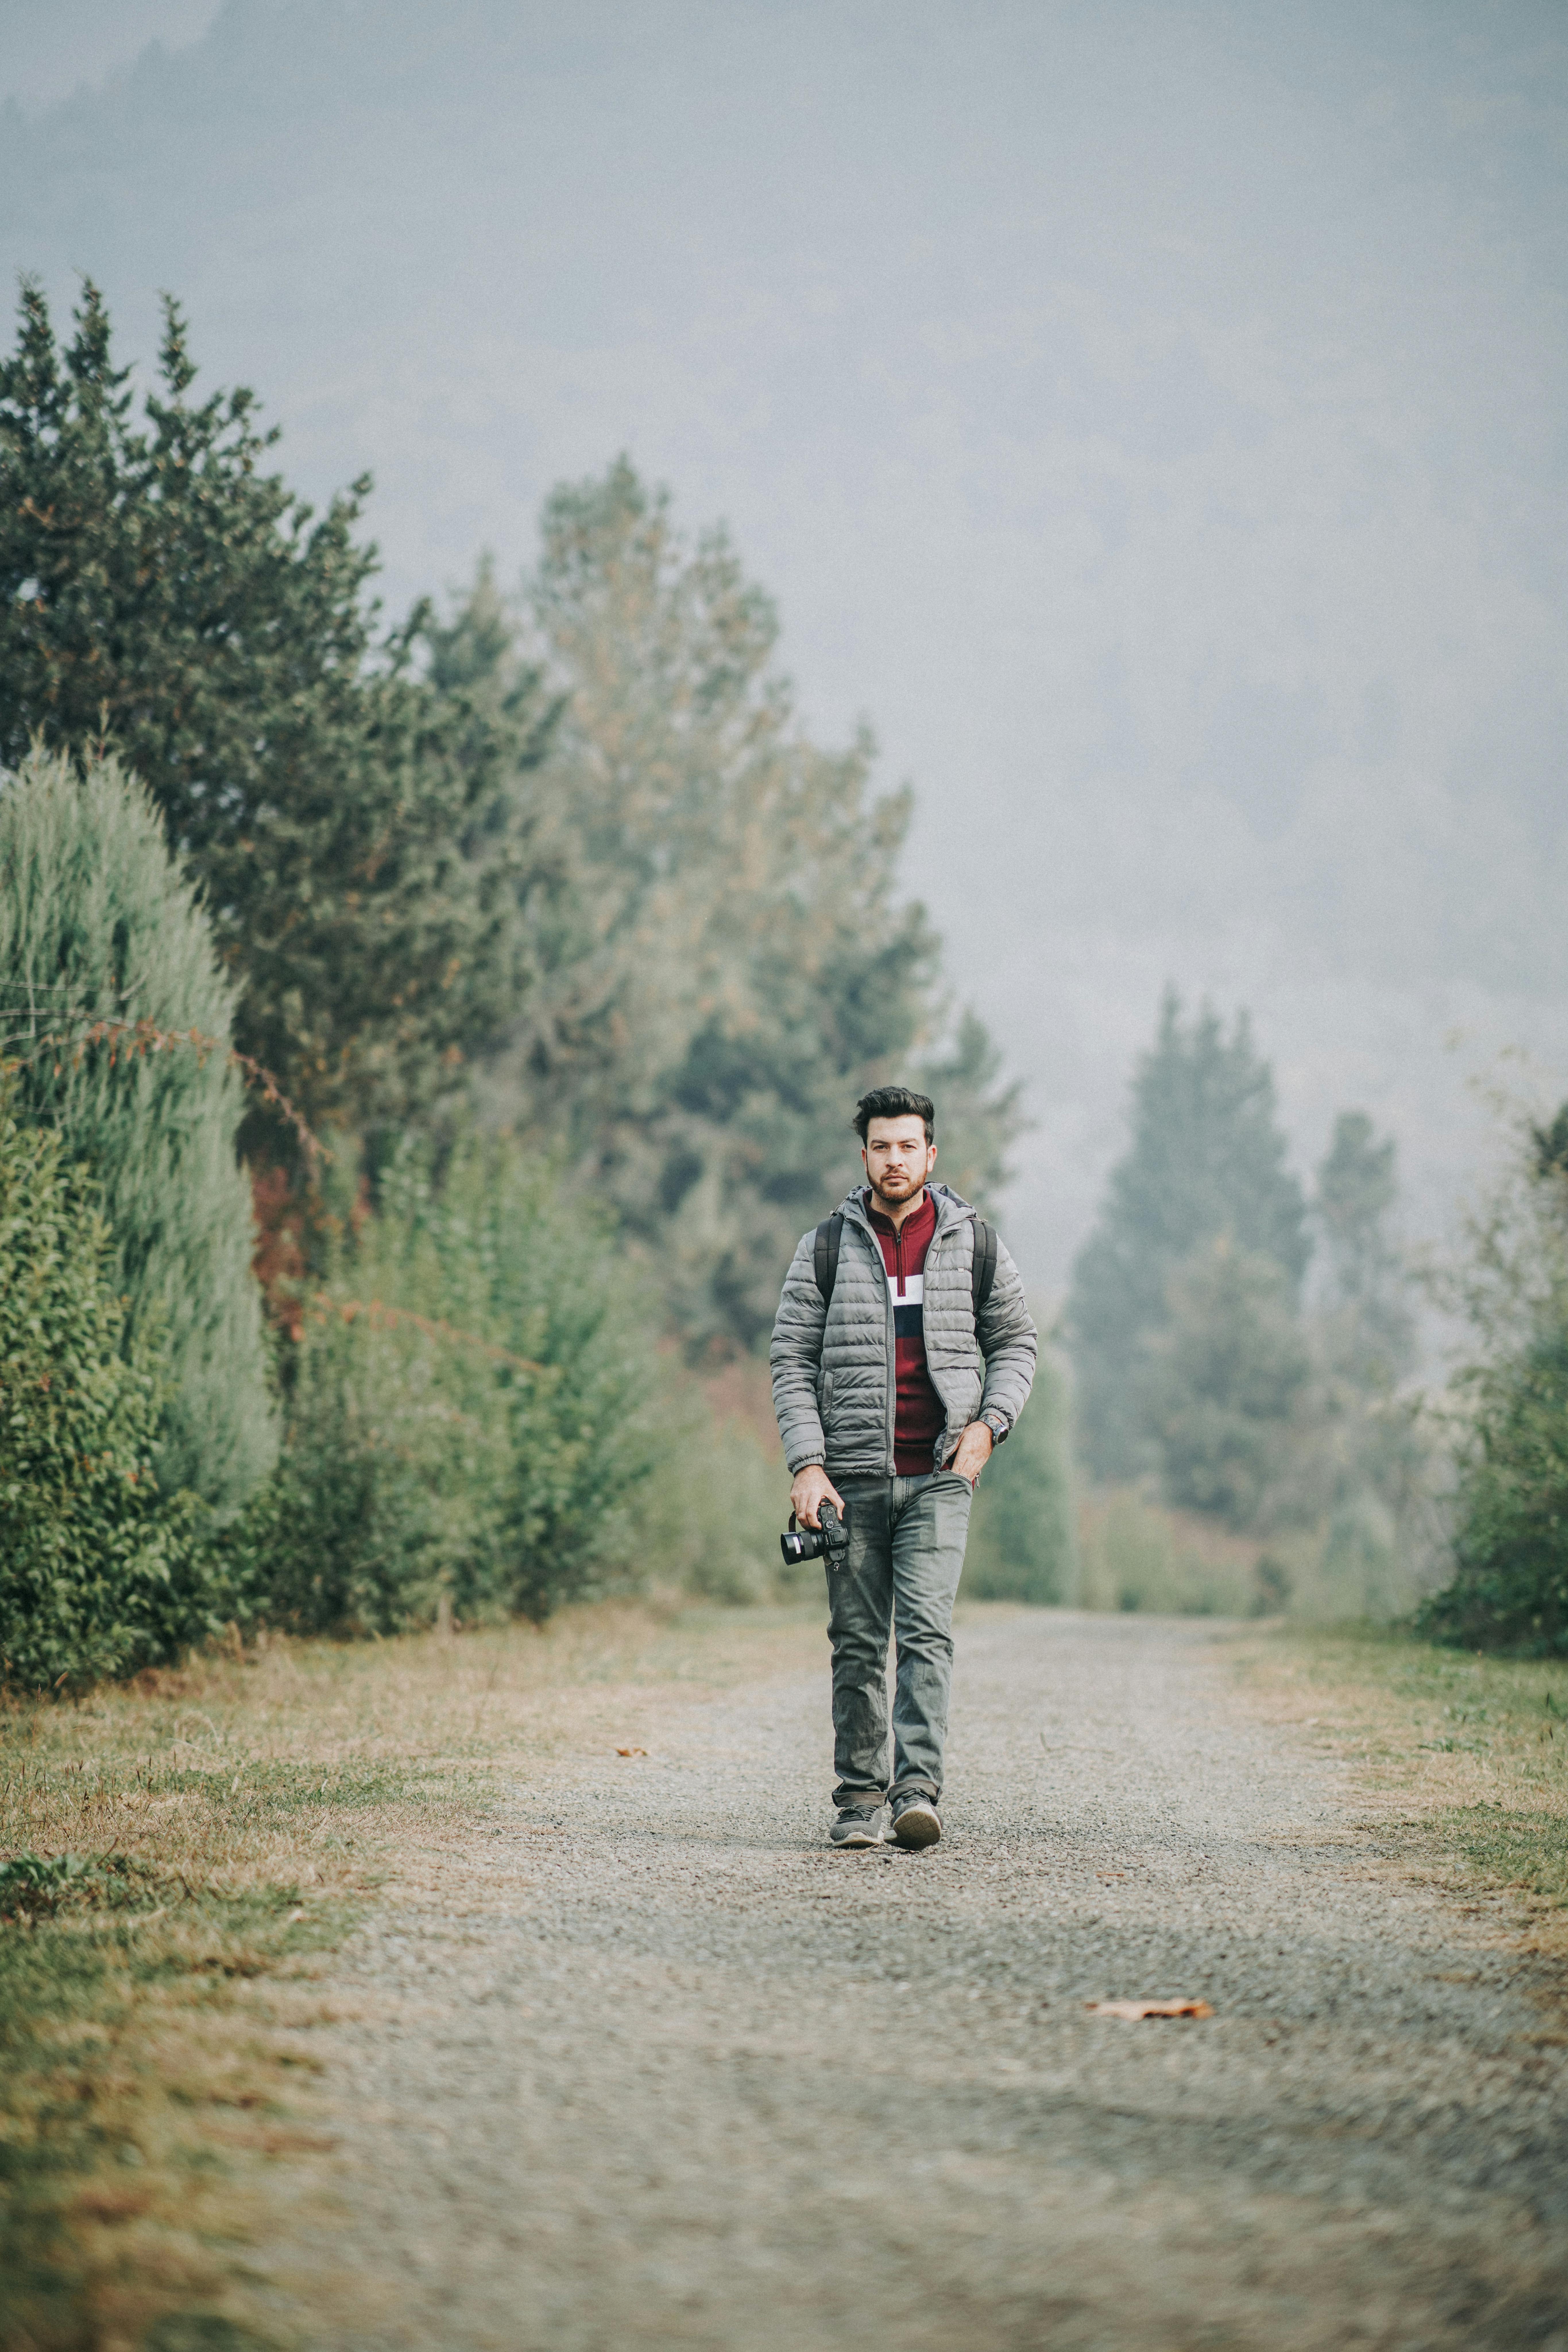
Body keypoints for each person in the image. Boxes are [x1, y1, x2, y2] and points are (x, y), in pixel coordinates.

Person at [770, 1086, 1037, 1850]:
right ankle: (858, 1798)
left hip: (942, 1475)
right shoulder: (825, 1245)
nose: (895, 1159)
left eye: (907, 1146)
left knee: (925, 1633)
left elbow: (1017, 1341)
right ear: (865, 1158)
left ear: (931, 1155)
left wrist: (990, 1426)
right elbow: (790, 1360)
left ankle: (916, 1793)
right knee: (857, 1640)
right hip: (848, 1481)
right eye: (881, 1147)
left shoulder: (973, 1242)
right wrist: (807, 1464)